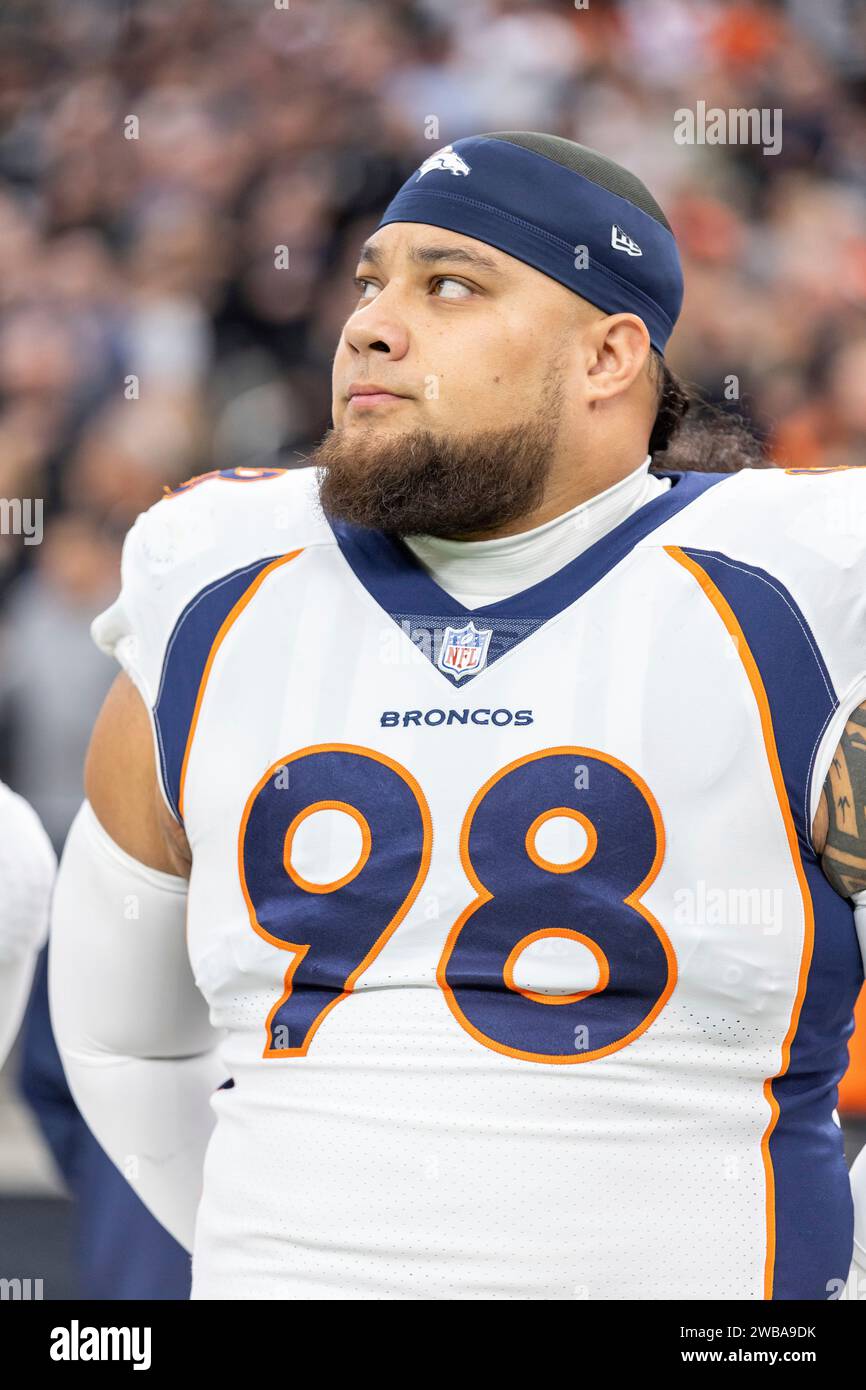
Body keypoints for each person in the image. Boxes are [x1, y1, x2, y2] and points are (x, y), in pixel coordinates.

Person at [49, 132, 866, 1300]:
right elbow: (126, 1040)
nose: (369, 325)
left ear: (607, 353)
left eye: (449, 286)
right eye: (370, 281)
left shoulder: (800, 590)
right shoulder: (215, 577)